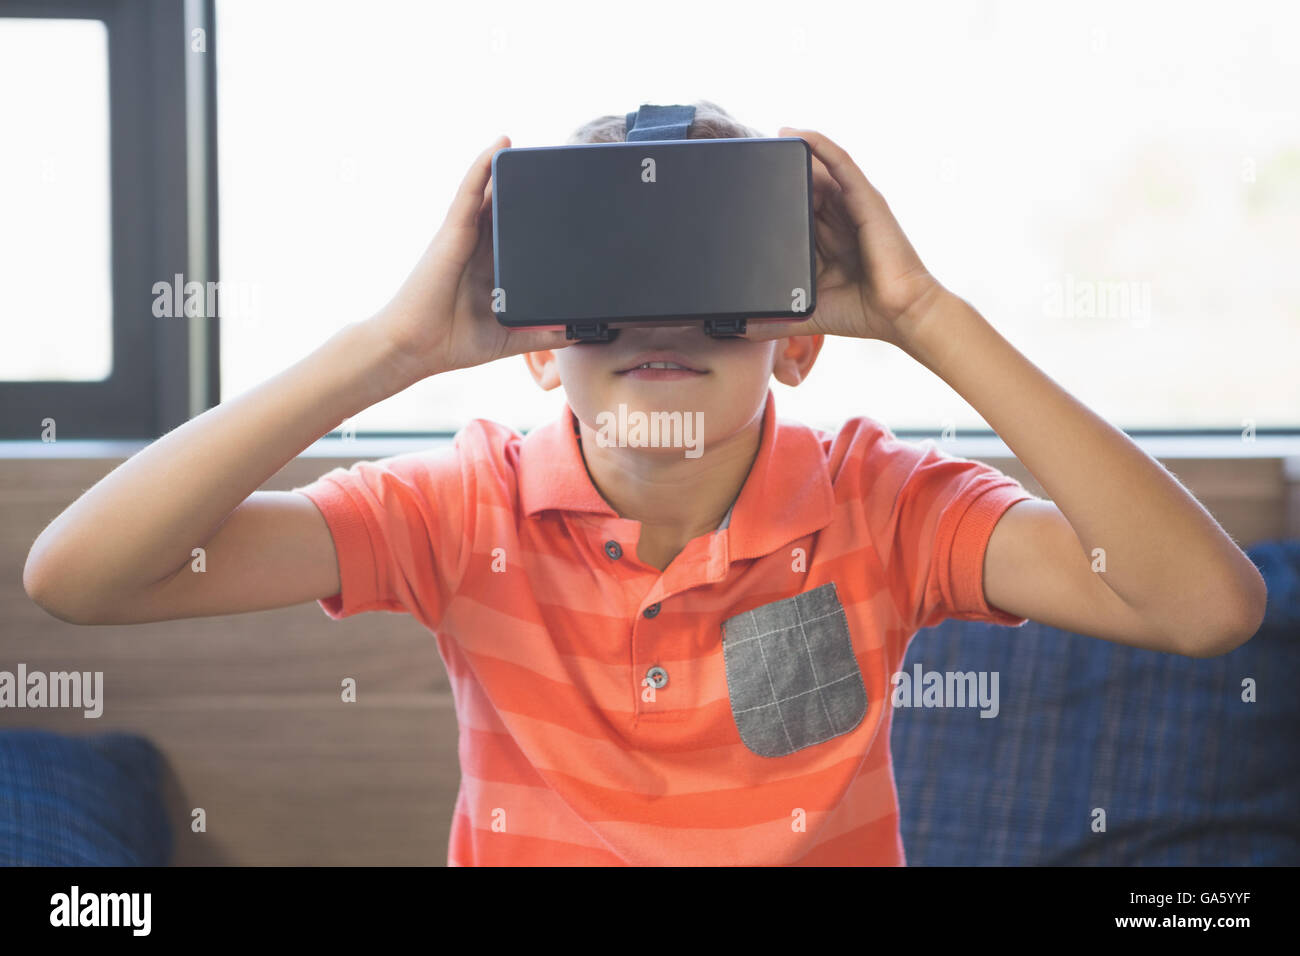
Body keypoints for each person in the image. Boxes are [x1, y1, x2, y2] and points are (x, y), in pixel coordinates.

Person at [23, 101, 1266, 866]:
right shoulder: (464, 510)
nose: (656, 326)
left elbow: (1204, 607)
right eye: (607, 305)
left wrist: (928, 315)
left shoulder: (877, 505)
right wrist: (392, 348)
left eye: (710, 297)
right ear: (539, 340)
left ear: (796, 333)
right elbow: (79, 576)